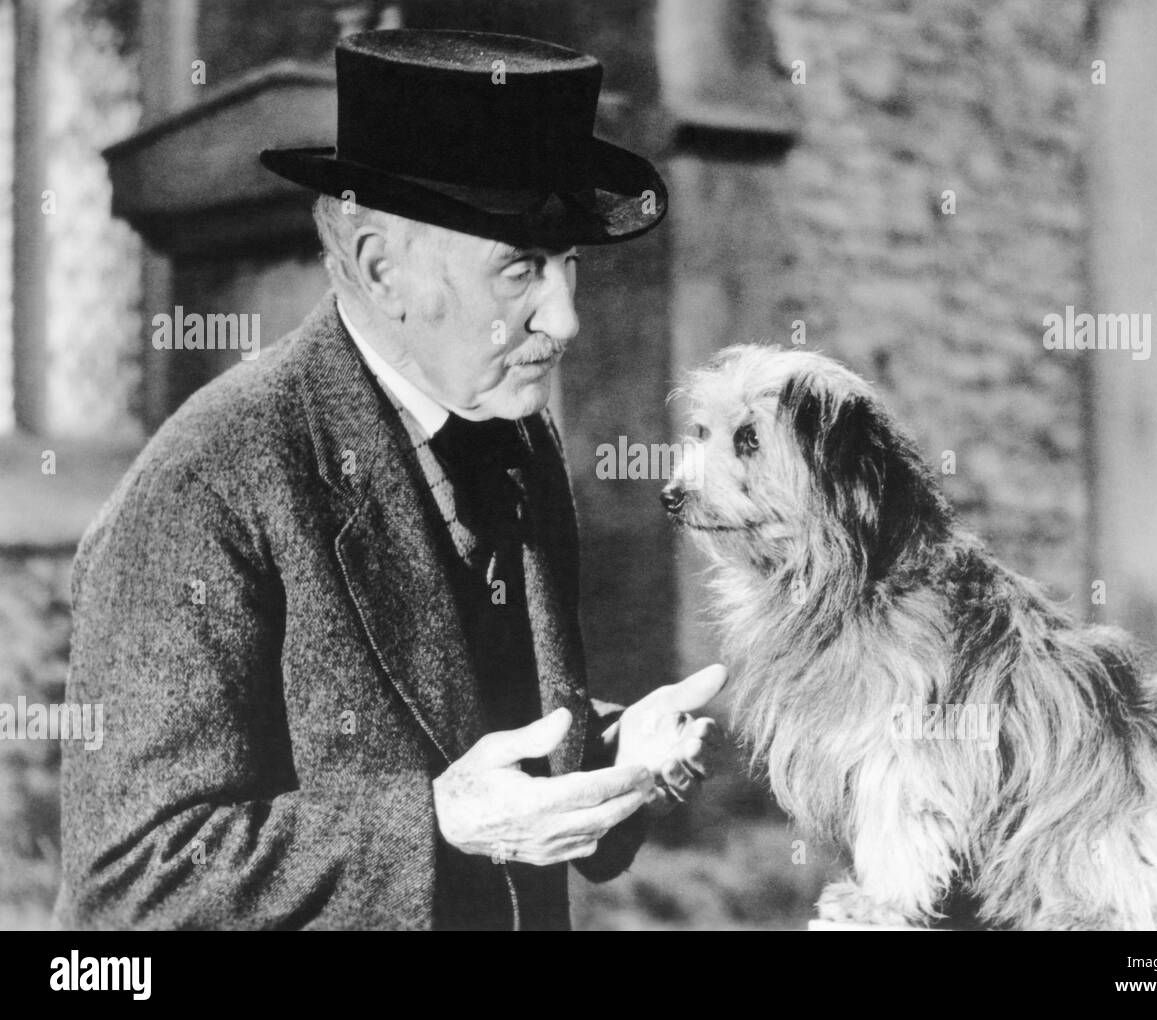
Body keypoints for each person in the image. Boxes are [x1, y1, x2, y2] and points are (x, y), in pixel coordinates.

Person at [57, 28, 725, 931]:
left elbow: (470, 723)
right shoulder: (202, 488)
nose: (564, 317)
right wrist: (438, 824)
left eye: (568, 263)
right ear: (379, 265)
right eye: (520, 268)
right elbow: (125, 893)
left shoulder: (516, 439)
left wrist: (613, 751)